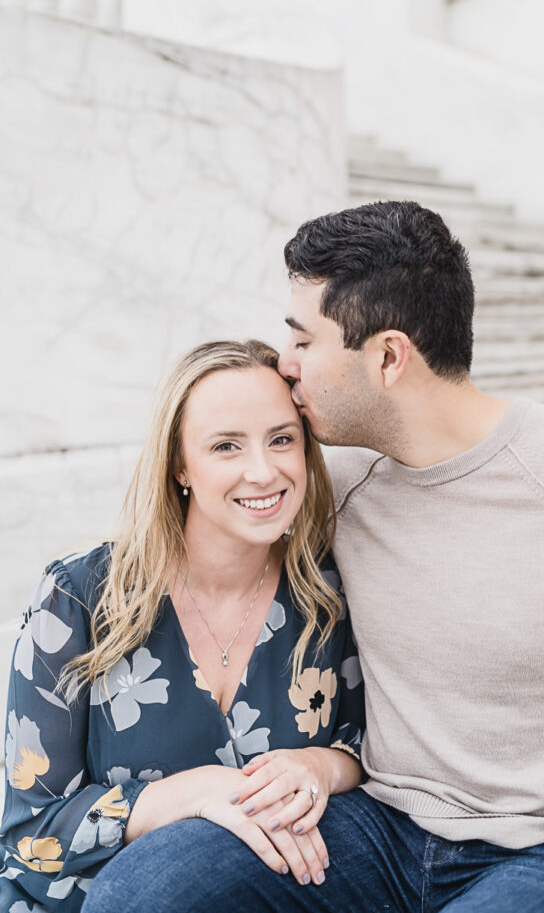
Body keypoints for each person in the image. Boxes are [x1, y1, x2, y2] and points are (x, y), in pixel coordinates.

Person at [84, 200, 544, 913]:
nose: (287, 363)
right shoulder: (333, 490)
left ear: (389, 356)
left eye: (305, 341)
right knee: (147, 891)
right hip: (385, 826)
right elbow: (206, 518)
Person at [0, 340, 364, 912]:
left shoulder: (327, 594)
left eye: (282, 439)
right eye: (226, 446)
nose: (263, 471)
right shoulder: (75, 598)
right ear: (180, 466)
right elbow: (29, 835)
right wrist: (189, 793)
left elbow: (369, 748)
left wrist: (320, 764)